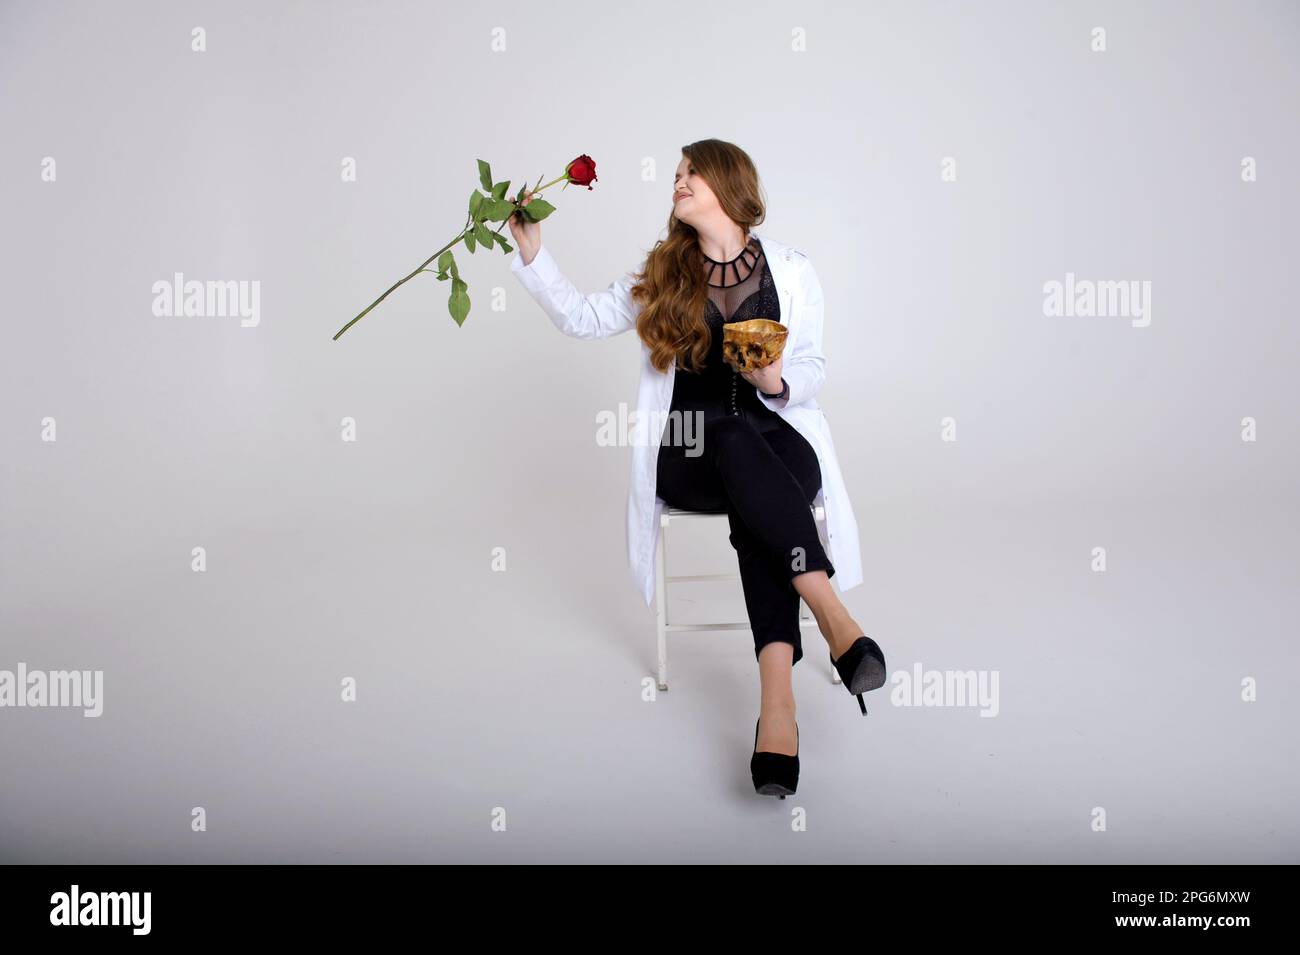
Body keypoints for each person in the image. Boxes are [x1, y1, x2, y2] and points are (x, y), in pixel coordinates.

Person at [508, 139, 885, 797]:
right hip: (686, 450)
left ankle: (778, 710)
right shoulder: (664, 272)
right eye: (676, 175)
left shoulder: (792, 271)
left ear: (729, 185)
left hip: (775, 437)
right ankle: (827, 613)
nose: (676, 182)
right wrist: (534, 253)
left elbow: (814, 369)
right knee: (738, 449)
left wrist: (776, 378)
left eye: (690, 172)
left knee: (756, 479)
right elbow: (581, 316)